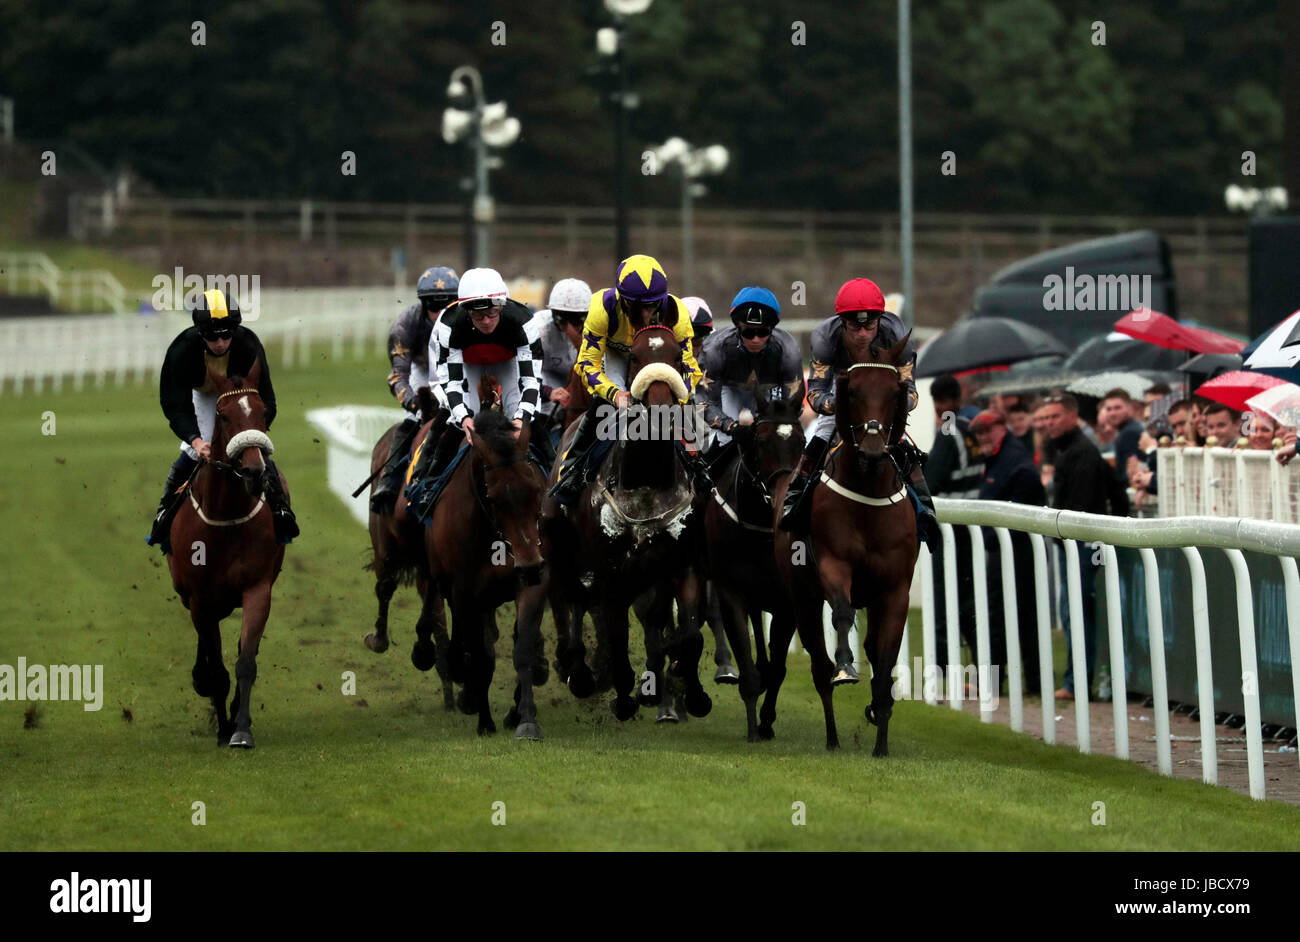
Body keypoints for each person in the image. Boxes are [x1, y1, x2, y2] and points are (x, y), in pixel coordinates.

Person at [779, 277, 938, 550]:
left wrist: (889, 407)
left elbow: (910, 390)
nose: (863, 333)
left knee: (900, 443)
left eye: (869, 325)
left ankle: (926, 508)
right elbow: (815, 395)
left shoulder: (896, 332)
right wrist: (847, 407)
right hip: (841, 393)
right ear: (842, 322)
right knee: (823, 433)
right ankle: (795, 495)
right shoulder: (824, 337)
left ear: (880, 319)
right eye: (854, 325)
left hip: (880, 399)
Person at [147, 288, 298, 552]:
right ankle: (165, 513)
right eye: (212, 337)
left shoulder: (248, 345)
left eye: (226, 335)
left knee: (253, 451)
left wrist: (252, 434)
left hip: (241, 394)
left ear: (235, 330)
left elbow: (267, 400)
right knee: (195, 453)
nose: (220, 343)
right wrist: (195, 441)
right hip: (202, 395)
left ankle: (281, 510)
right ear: (200, 333)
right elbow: (174, 404)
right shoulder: (182, 350)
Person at [548, 254, 704, 506]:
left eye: (653, 305)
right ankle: (571, 471)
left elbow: (689, 367)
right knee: (605, 408)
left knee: (681, 408)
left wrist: (680, 394)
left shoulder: (677, 313)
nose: (647, 313)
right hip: (618, 357)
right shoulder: (601, 307)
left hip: (656, 356)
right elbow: (587, 363)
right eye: (639, 307)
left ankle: (699, 466)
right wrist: (614, 394)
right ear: (622, 300)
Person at [408, 268, 542, 510]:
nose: (487, 321)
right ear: (465, 311)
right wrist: (465, 418)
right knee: (455, 418)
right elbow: (452, 383)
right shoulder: (449, 324)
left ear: (501, 306)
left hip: (506, 361)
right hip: (466, 363)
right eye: (478, 317)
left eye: (491, 313)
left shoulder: (524, 321)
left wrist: (522, 418)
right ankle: (427, 482)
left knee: (524, 415)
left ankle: (557, 478)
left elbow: (531, 381)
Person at [1038, 393, 1128, 701]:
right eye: (1046, 418)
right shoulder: (1071, 451)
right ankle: (1077, 681)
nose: (1049, 423)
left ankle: (1078, 683)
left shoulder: (1083, 454)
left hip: (1080, 546)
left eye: (1055, 416)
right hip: (1076, 545)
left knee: (1076, 614)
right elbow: (1118, 493)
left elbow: (1081, 510)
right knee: (1074, 614)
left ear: (1072, 416)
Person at [968, 409, 1048, 694]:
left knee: (1019, 616)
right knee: (1003, 616)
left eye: (986, 432)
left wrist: (987, 537)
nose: (982, 439)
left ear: (1002, 428)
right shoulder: (1000, 458)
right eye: (978, 434)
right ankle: (1007, 680)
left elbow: (1020, 515)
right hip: (1003, 550)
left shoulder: (1016, 462)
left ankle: (1027, 681)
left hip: (1017, 552)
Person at [370, 266, 459, 513]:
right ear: (422, 304)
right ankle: (389, 481)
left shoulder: (470, 318)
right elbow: (399, 375)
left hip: (459, 370)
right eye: (434, 307)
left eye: (449, 305)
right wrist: (412, 402)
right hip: (423, 370)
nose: (441, 313)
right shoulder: (405, 325)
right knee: (414, 418)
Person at [696, 286, 803, 465]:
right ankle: (709, 478)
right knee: (725, 438)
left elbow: (792, 407)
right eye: (748, 332)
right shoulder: (714, 349)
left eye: (762, 332)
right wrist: (731, 426)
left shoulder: (788, 349)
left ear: (772, 329)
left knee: (779, 434)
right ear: (738, 328)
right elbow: (704, 402)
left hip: (768, 390)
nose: (755, 339)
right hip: (730, 389)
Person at [529, 278, 592, 452]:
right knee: (542, 413)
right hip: (544, 377)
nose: (569, 327)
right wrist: (548, 392)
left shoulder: (595, 327)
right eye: (563, 321)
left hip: (573, 381)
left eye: (577, 320)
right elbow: (521, 373)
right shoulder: (537, 329)